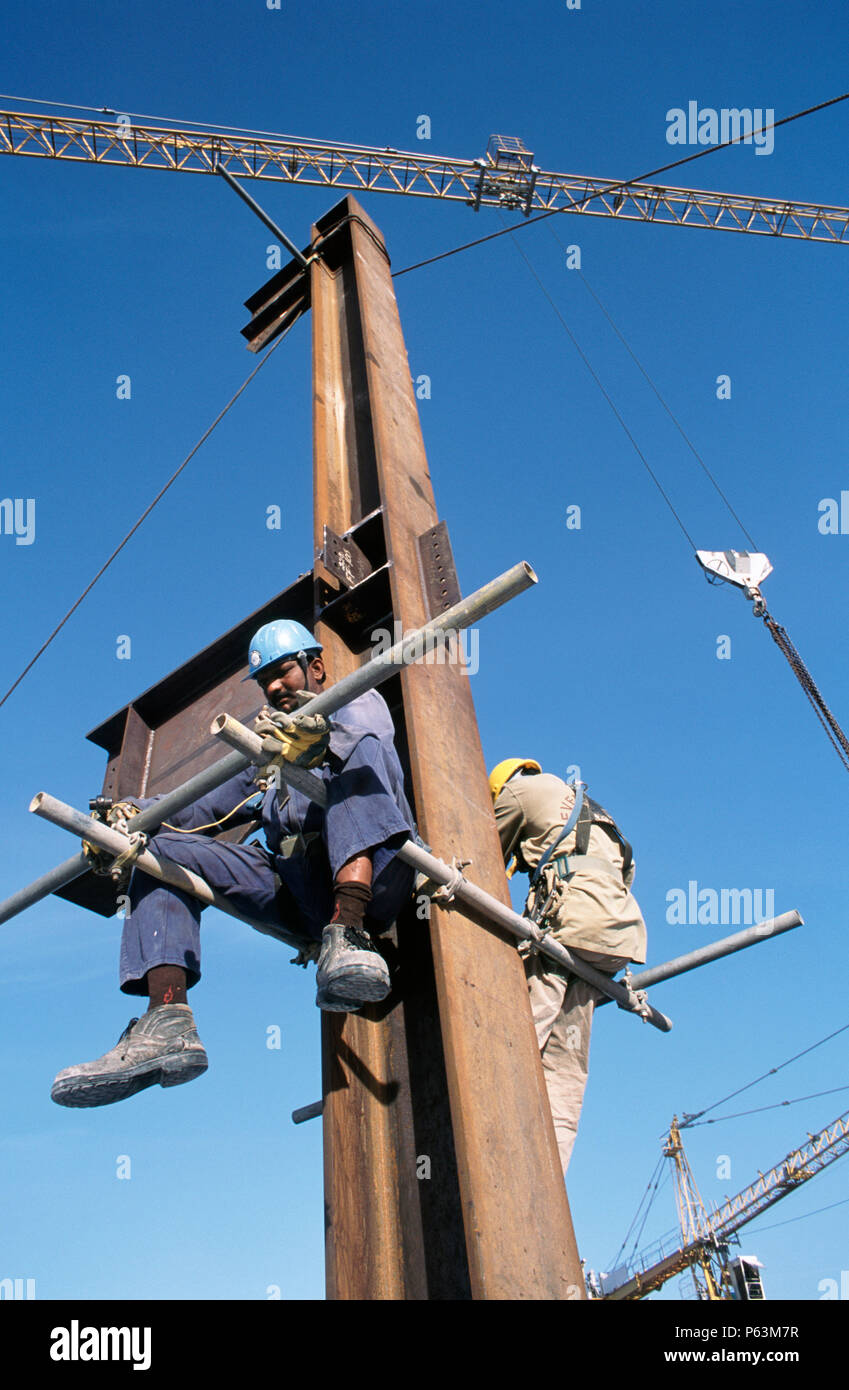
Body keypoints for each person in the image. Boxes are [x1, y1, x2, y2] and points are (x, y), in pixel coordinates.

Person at [51, 620, 417, 1108]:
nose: (274, 686)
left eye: (284, 671)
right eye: (264, 679)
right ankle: (167, 1022)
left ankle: (348, 932)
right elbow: (198, 806)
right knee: (155, 852)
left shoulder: (355, 702)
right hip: (304, 895)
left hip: (378, 877)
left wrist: (321, 741)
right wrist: (130, 817)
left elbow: (367, 733)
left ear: (316, 667)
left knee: (358, 757)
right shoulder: (268, 752)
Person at [489, 759, 647, 1174]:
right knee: (566, 1064)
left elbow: (484, 854)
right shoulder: (594, 808)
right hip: (616, 938)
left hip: (570, 925)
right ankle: (551, 1173)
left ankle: (494, 1140)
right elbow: (628, 871)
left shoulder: (518, 792)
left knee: (525, 1031)